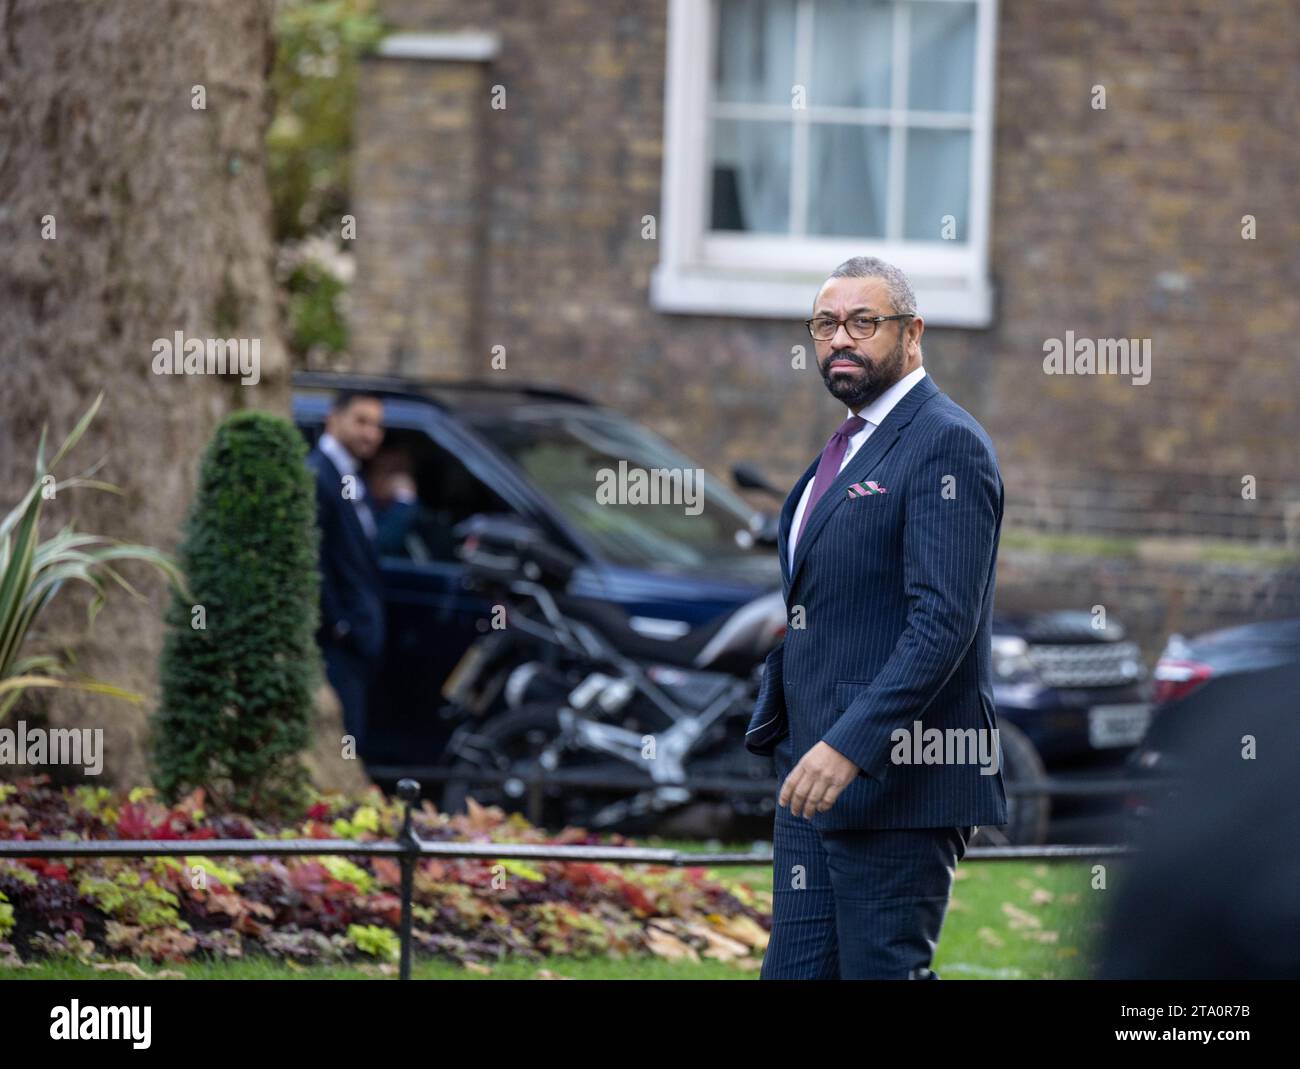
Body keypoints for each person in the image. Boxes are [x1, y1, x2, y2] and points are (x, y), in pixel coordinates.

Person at [746, 256, 1008, 979]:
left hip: (899, 781)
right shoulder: (847, 445)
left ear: (913, 331)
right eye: (826, 324)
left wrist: (849, 746)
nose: (841, 340)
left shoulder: (944, 443)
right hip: (811, 776)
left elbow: (942, 625)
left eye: (864, 322)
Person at [307, 390, 387, 757]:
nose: (370, 433)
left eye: (377, 425)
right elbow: (314, 559)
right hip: (337, 642)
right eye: (361, 421)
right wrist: (338, 624)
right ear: (333, 419)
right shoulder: (318, 474)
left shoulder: (350, 475)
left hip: (357, 640)